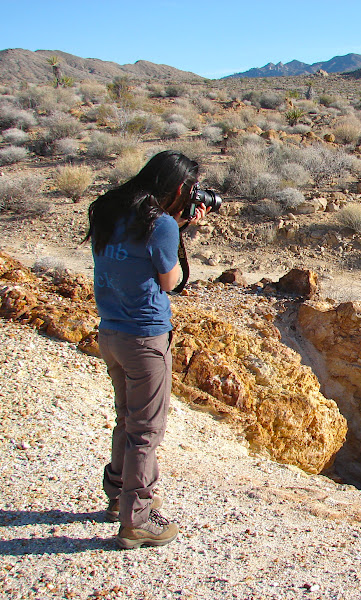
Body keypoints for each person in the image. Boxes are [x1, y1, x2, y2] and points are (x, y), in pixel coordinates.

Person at [85, 150, 207, 549]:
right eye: (189, 190)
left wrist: (177, 225)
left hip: (111, 333)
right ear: (178, 187)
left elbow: (133, 257)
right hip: (146, 337)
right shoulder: (161, 224)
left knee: (126, 418)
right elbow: (169, 280)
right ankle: (137, 518)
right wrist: (179, 229)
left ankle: (118, 496)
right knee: (146, 431)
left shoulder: (107, 211)